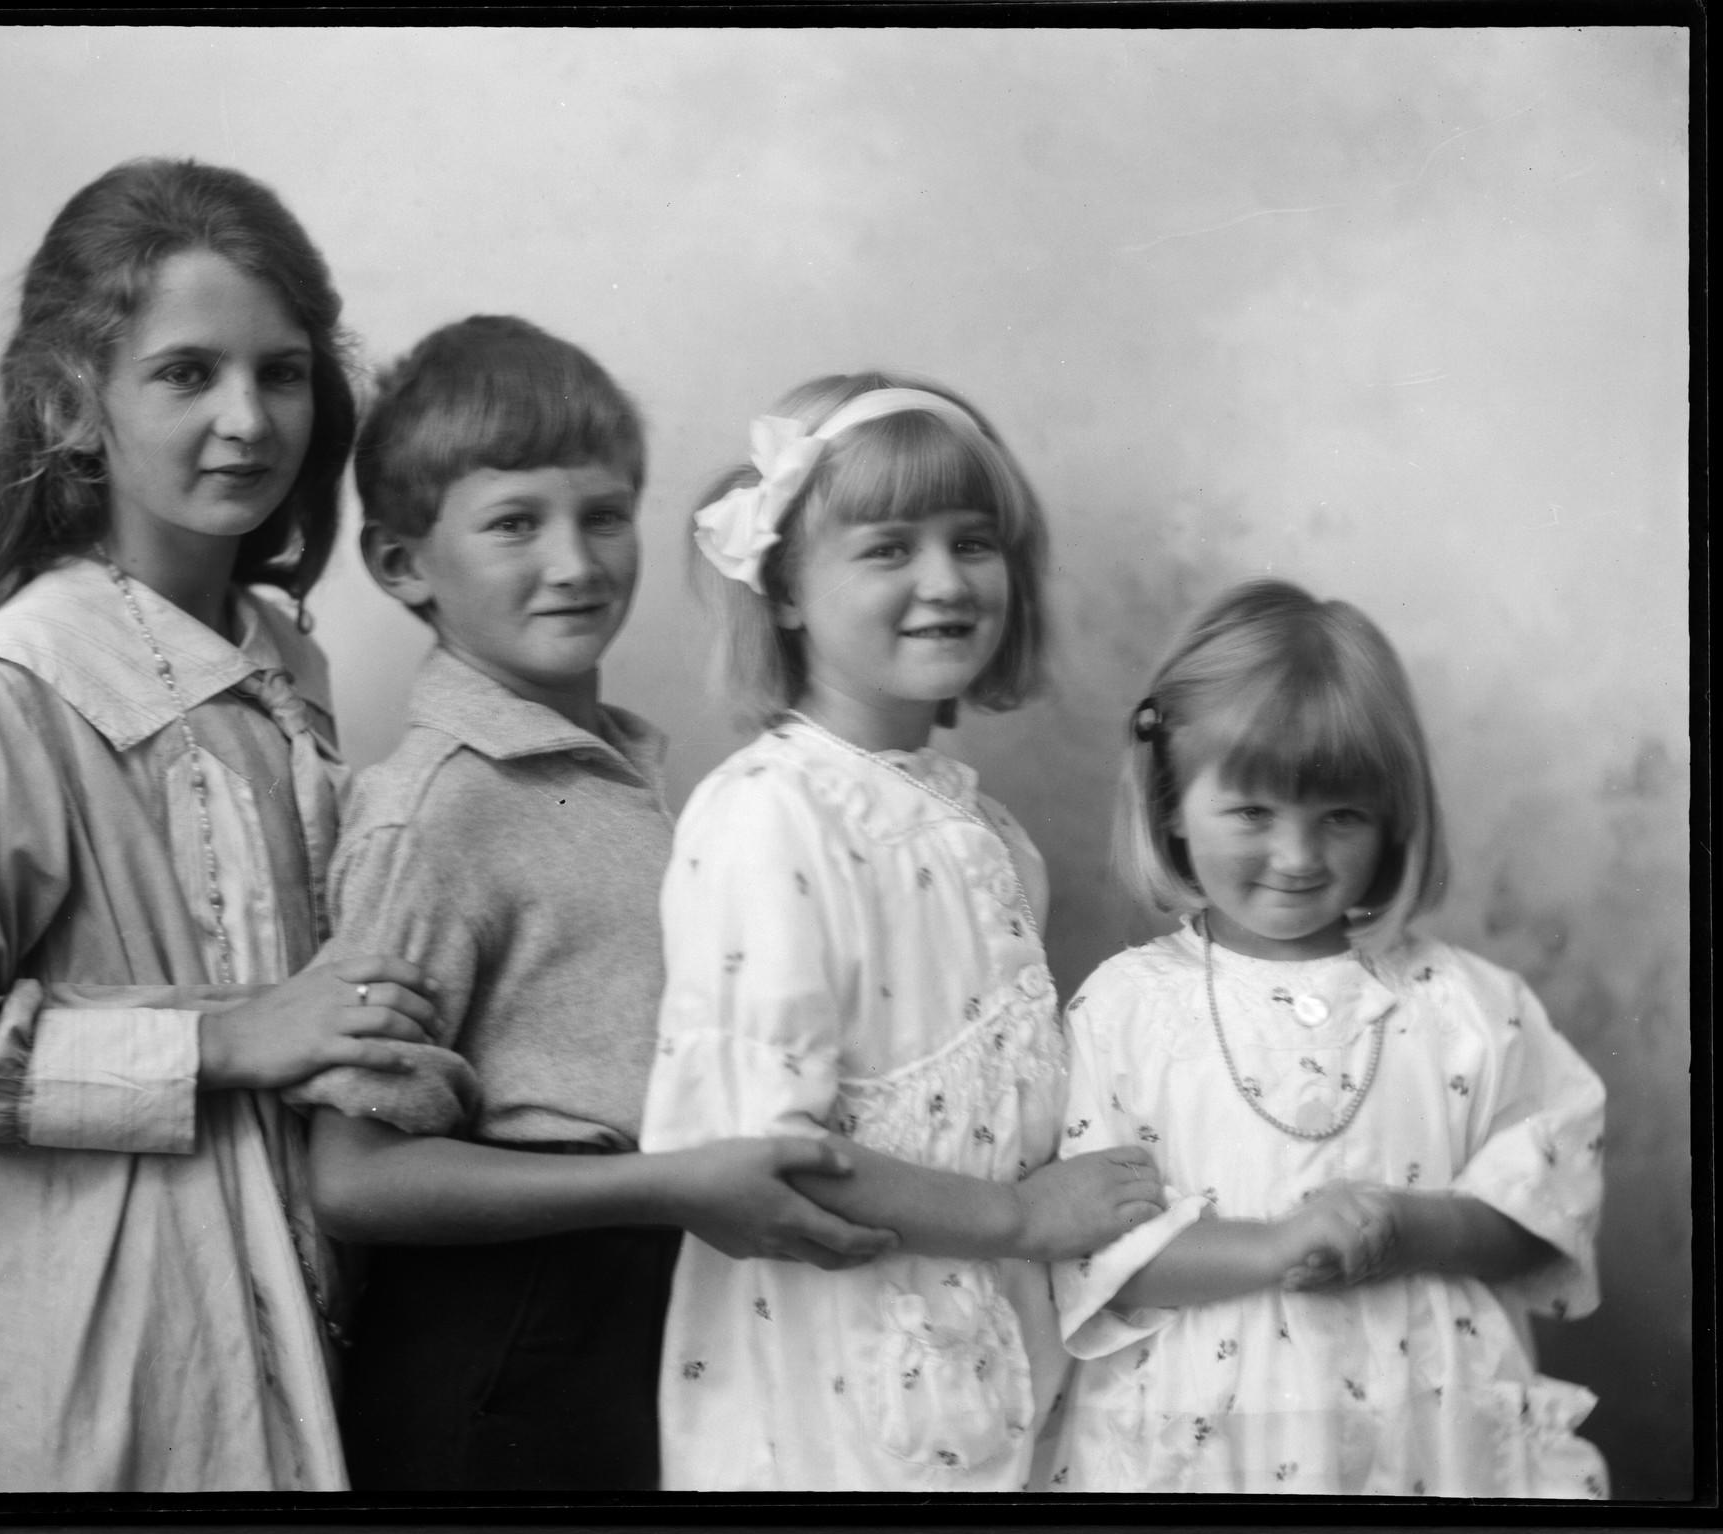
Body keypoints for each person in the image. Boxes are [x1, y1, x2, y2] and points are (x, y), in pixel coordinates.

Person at [0, 158, 431, 1494]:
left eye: (281, 373)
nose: (247, 419)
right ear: (69, 405)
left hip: (267, 1261)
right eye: (186, 373)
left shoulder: (276, 656)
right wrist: (230, 1038)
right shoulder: (16, 687)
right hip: (76, 1315)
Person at [307, 317, 904, 1493]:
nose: (574, 562)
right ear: (401, 562)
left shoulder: (620, 773)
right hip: (509, 1338)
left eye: (603, 515)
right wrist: (665, 1184)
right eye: (514, 523)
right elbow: (356, 1173)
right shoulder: (433, 809)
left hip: (632, 1306)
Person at [638, 373, 1168, 1491]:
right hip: (828, 1401)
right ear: (785, 587)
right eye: (887, 549)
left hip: (985, 1378)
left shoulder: (988, 834)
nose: (946, 580)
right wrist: (1014, 1217)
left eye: (973, 542)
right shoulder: (770, 814)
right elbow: (746, 1167)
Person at [1040, 578, 1608, 1497]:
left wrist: (1412, 1229)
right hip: (1207, 1443)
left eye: (1341, 815)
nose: (1299, 856)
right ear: (1171, 802)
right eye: (1253, 813)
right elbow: (1100, 1250)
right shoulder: (1127, 1011)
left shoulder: (1465, 1005)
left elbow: (1544, 1210)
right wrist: (1274, 1247)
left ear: (1393, 819)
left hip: (1427, 1438)